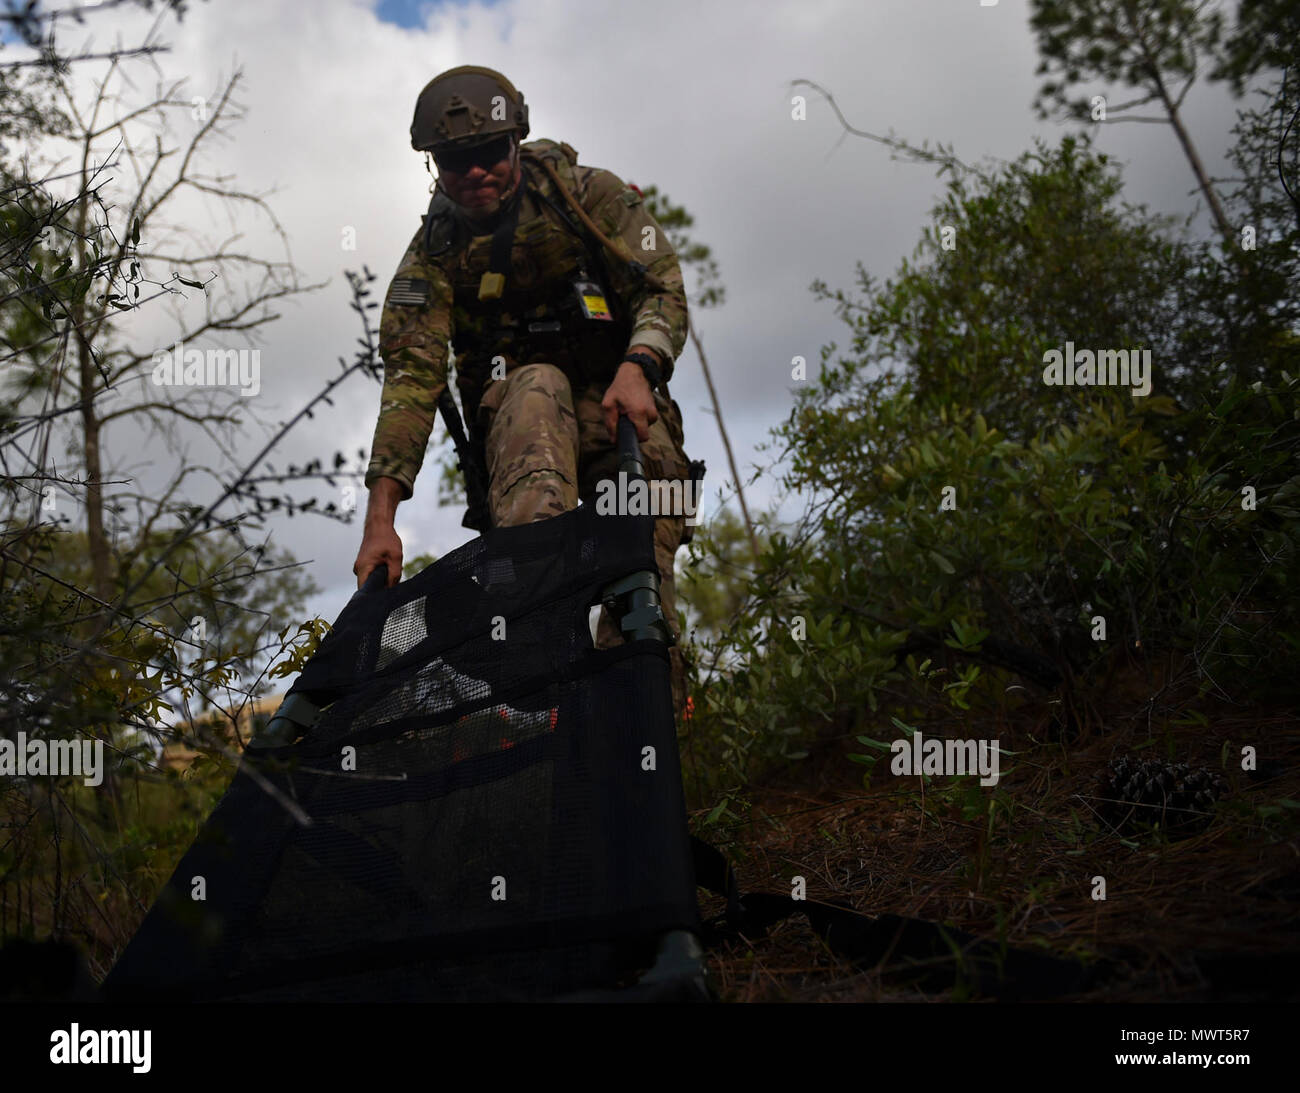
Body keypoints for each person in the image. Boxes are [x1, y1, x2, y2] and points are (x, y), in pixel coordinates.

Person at [352, 65, 695, 717]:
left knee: (642, 579)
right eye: (456, 161)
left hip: (625, 414)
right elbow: (409, 384)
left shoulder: (590, 197)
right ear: (433, 166)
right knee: (535, 383)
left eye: (488, 153)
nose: (476, 172)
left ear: (516, 142)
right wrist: (381, 522)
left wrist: (640, 362)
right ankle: (540, 634)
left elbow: (663, 284)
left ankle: (636, 735)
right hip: (522, 425)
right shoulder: (430, 257)